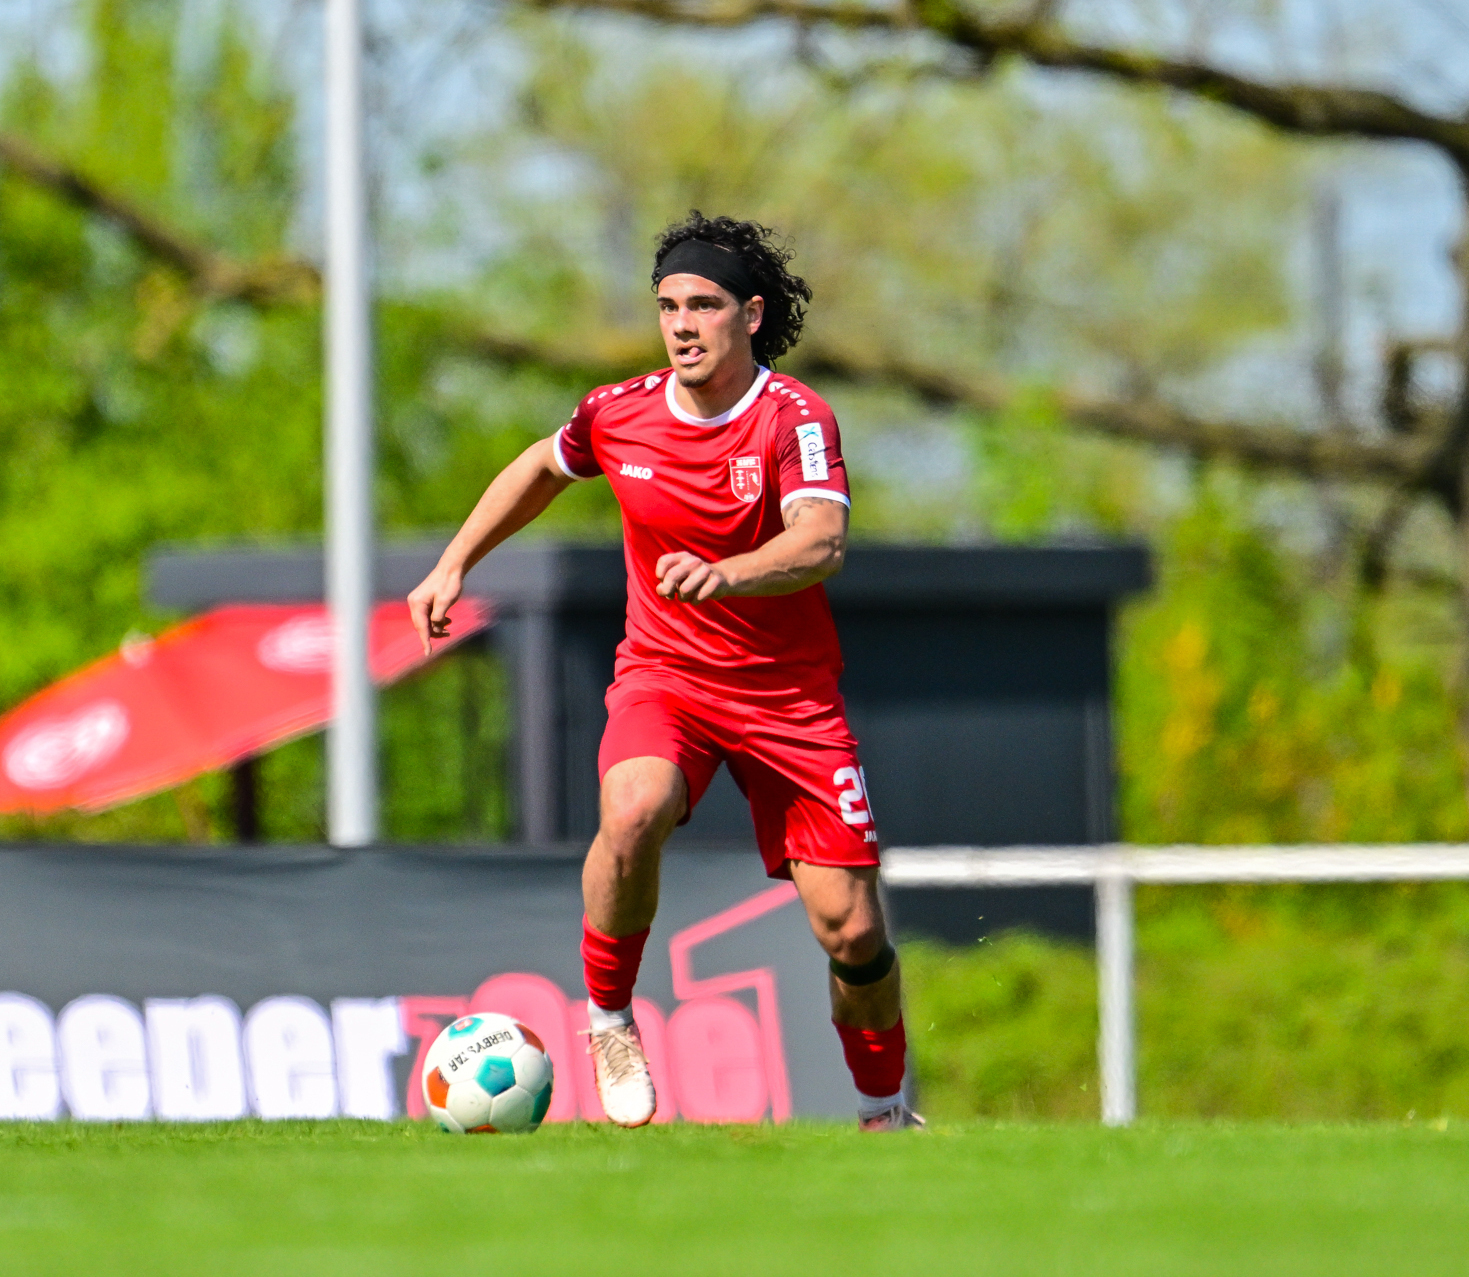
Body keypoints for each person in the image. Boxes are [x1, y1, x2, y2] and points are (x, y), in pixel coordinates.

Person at [408, 211, 922, 1132]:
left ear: (751, 314)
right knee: (634, 806)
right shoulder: (618, 410)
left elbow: (822, 537)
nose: (682, 323)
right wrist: (455, 561)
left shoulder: (793, 417)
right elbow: (541, 465)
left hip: (787, 697)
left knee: (850, 928)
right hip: (665, 676)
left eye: (703, 304)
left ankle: (884, 1112)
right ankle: (608, 1016)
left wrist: (730, 573)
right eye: (668, 305)